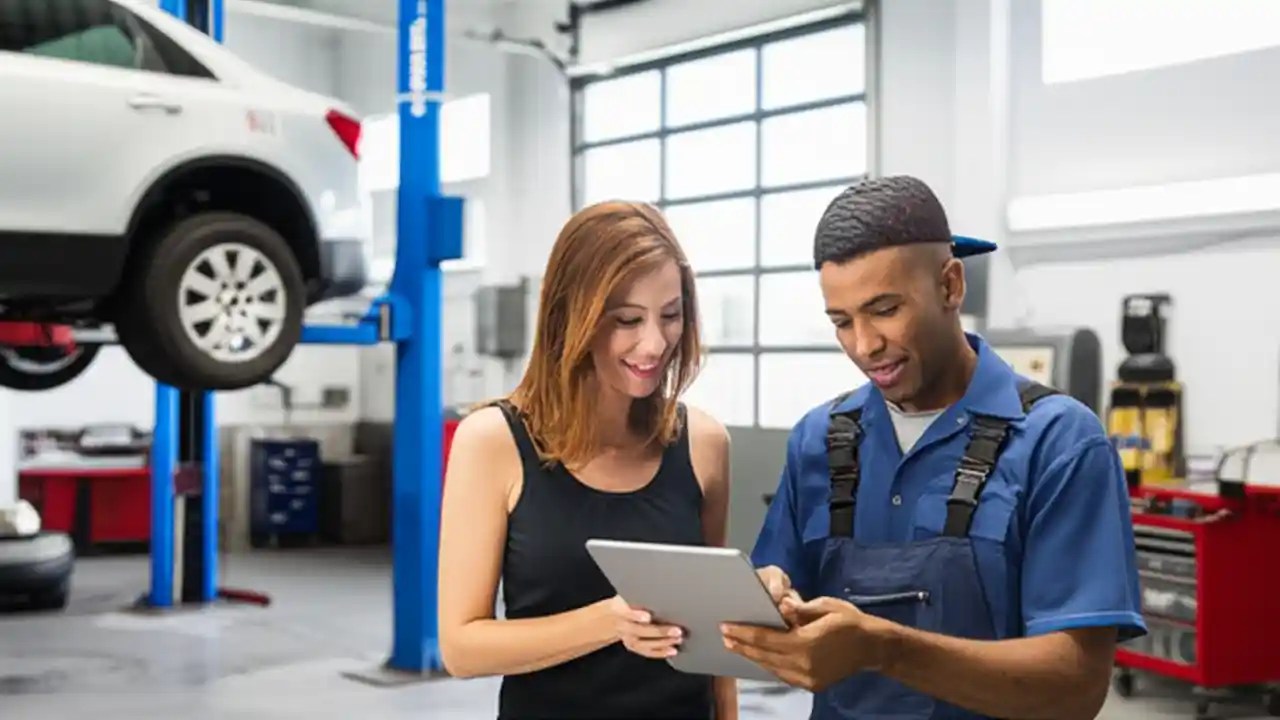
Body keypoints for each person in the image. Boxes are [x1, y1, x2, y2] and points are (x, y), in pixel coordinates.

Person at [721, 175, 1146, 720]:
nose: (864, 345)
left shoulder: (1059, 443)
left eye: (885, 309)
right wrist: (769, 600)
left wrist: (884, 648)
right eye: (842, 322)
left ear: (950, 285)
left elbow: (1077, 686)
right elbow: (774, 601)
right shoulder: (818, 439)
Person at [437, 200, 738, 720]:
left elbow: (716, 642)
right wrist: (610, 622)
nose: (654, 343)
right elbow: (462, 648)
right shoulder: (492, 442)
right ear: (571, 316)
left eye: (670, 316)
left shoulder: (703, 444)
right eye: (627, 320)